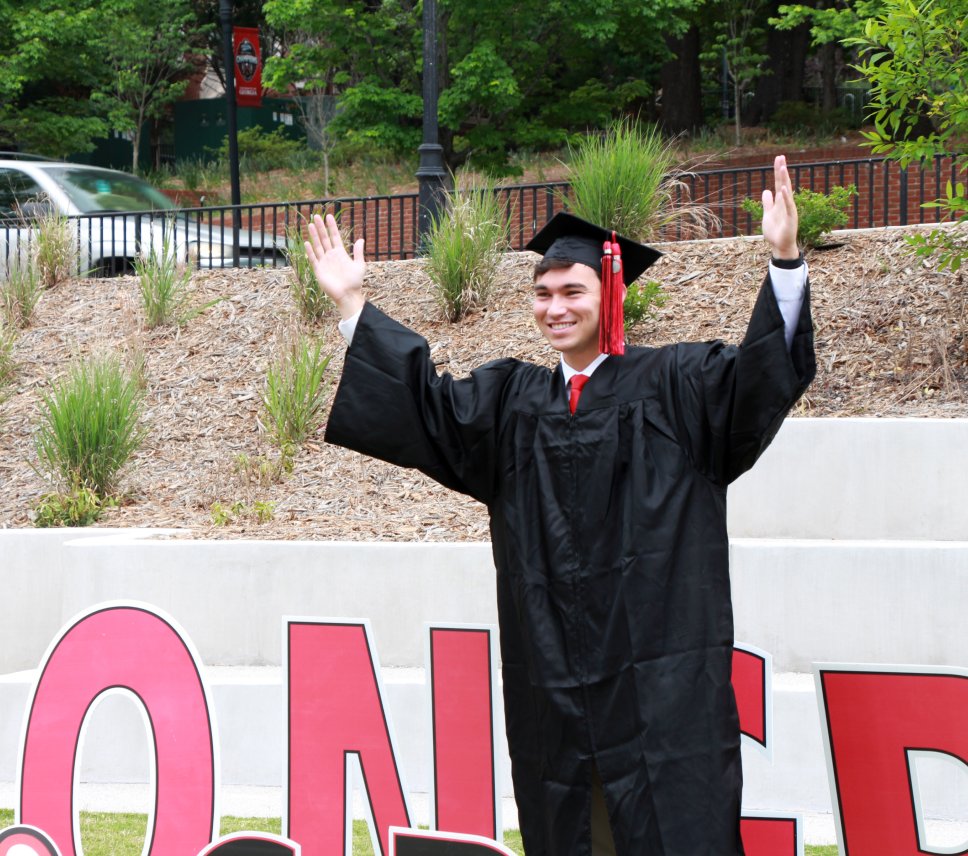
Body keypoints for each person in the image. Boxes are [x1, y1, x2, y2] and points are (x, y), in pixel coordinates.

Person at [308, 155, 815, 856]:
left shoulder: (678, 387)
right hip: (554, 685)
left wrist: (784, 262)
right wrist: (352, 305)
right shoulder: (512, 403)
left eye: (573, 290)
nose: (555, 308)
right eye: (542, 293)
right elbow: (425, 405)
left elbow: (761, 380)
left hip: (660, 687)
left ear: (611, 294)